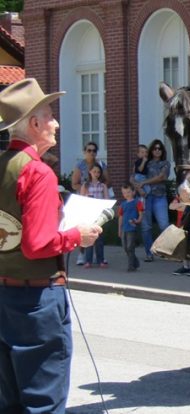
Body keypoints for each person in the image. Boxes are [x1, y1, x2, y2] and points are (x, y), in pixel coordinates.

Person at [0, 78, 101, 413]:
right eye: (50, 115)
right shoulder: (38, 173)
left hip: (4, 295)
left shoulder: (4, 166)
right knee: (43, 402)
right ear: (34, 123)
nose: (56, 122)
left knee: (9, 401)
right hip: (36, 301)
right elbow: (37, 244)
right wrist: (77, 236)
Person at [131, 139, 171, 261]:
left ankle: (165, 251)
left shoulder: (165, 163)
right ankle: (149, 253)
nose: (157, 150)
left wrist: (144, 182)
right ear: (151, 150)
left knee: (164, 225)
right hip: (145, 197)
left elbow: (161, 177)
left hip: (159, 196)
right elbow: (132, 177)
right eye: (155, 148)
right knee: (145, 226)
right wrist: (138, 187)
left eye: (159, 148)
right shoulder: (145, 162)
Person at [71, 140, 108, 265]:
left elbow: (108, 181)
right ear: (84, 152)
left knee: (98, 230)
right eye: (89, 150)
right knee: (84, 229)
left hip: (98, 202)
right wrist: (85, 188)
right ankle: (82, 255)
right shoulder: (80, 165)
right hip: (85, 202)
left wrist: (100, 187)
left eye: (94, 150)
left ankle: (100, 257)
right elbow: (74, 183)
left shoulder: (101, 165)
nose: (91, 153)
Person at [80, 162, 109, 268]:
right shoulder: (86, 185)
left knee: (99, 238)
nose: (96, 174)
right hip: (89, 213)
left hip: (99, 214)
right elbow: (82, 199)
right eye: (94, 171)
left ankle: (100, 259)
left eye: (98, 172)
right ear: (90, 172)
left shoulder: (103, 185)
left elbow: (106, 199)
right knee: (89, 237)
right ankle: (88, 260)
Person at [169, 197, 190, 276]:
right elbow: (172, 206)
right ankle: (186, 266)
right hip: (185, 218)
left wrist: (181, 205)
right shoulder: (185, 191)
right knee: (184, 243)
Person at [118, 183, 144, 272]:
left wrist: (138, 220)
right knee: (125, 247)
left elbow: (141, 214)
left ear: (133, 192)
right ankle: (135, 262)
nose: (127, 194)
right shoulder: (123, 204)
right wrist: (119, 229)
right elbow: (121, 217)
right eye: (124, 193)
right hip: (124, 228)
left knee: (130, 247)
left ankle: (131, 266)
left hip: (132, 228)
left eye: (128, 192)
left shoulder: (137, 202)